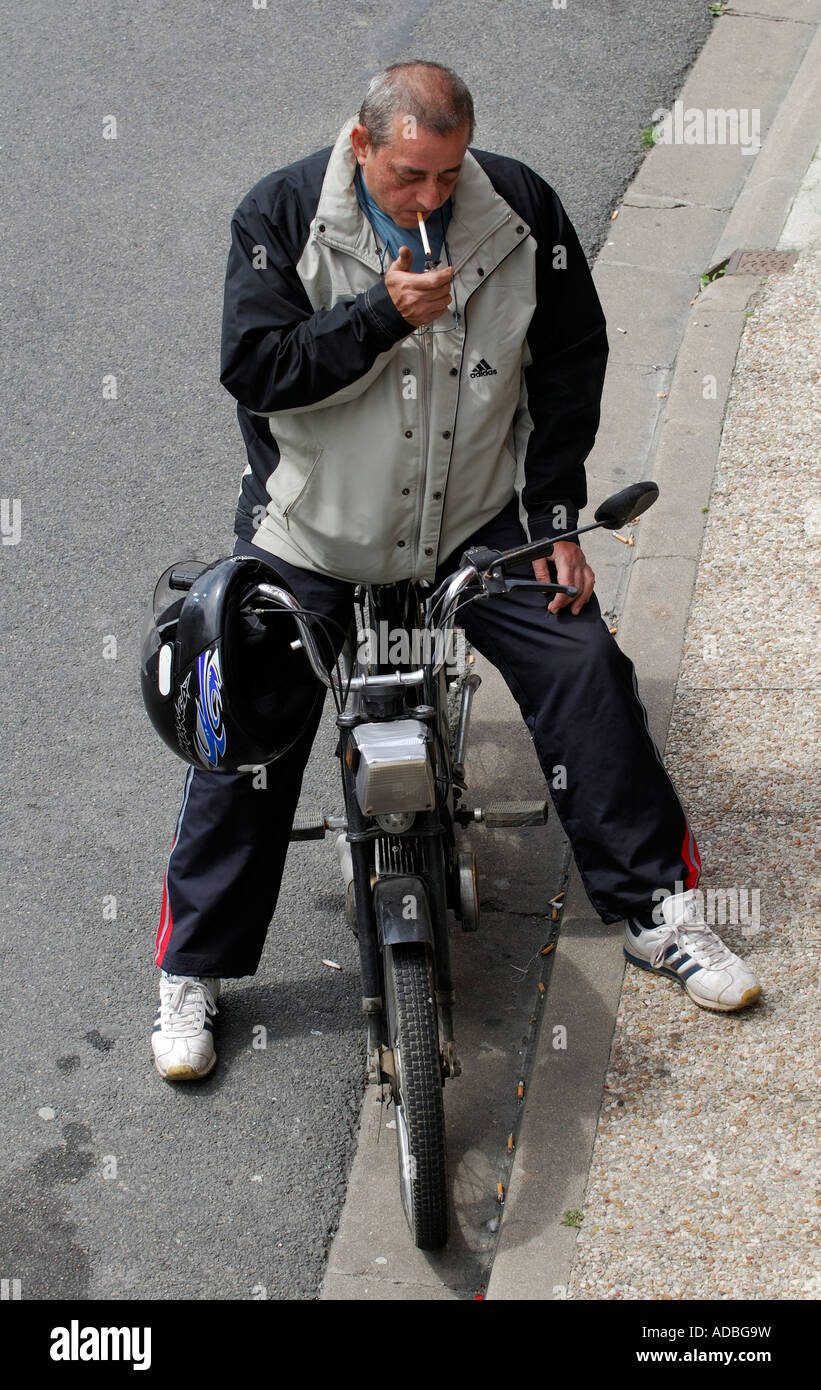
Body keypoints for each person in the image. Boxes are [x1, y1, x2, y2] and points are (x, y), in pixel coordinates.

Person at [150, 61, 761, 1081]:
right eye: (407, 178)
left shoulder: (518, 208)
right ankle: (192, 966)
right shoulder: (280, 213)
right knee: (242, 710)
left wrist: (556, 512)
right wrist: (383, 316)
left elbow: (571, 357)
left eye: (445, 174)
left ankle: (660, 911)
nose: (430, 198)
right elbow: (255, 369)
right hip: (316, 532)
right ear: (361, 145)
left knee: (581, 667)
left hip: (475, 521)